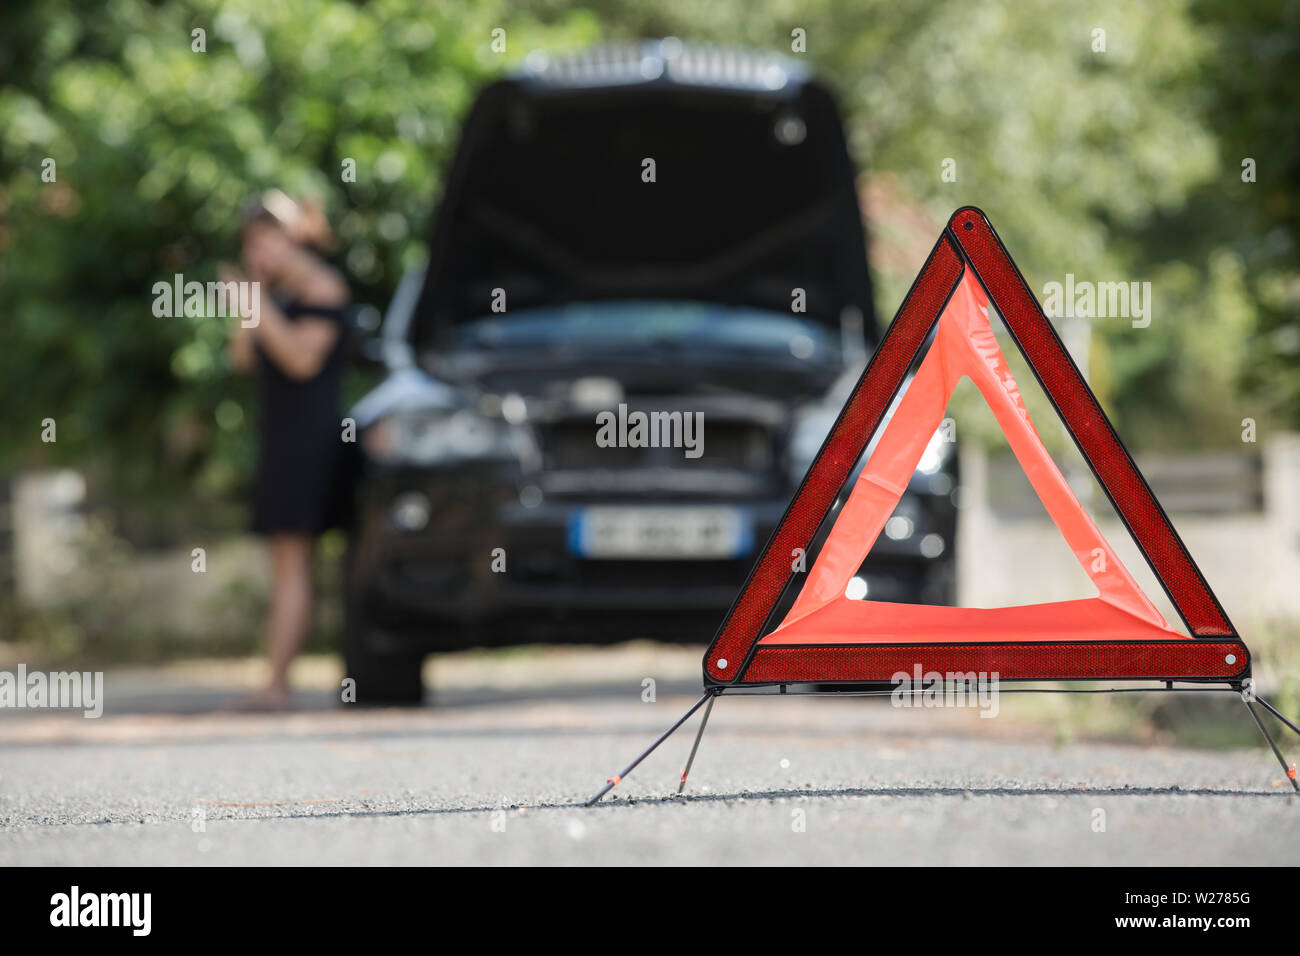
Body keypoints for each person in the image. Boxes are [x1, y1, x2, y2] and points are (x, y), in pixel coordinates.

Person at [226, 191, 351, 710]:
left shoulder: (325, 286)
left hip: (311, 441)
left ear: (294, 234)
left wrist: (258, 308)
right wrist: (251, 304)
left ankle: (276, 684)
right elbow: (242, 360)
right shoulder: (271, 294)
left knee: (294, 561)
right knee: (285, 561)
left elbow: (301, 360)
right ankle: (275, 680)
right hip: (279, 439)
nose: (262, 250)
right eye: (253, 242)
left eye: (269, 237)